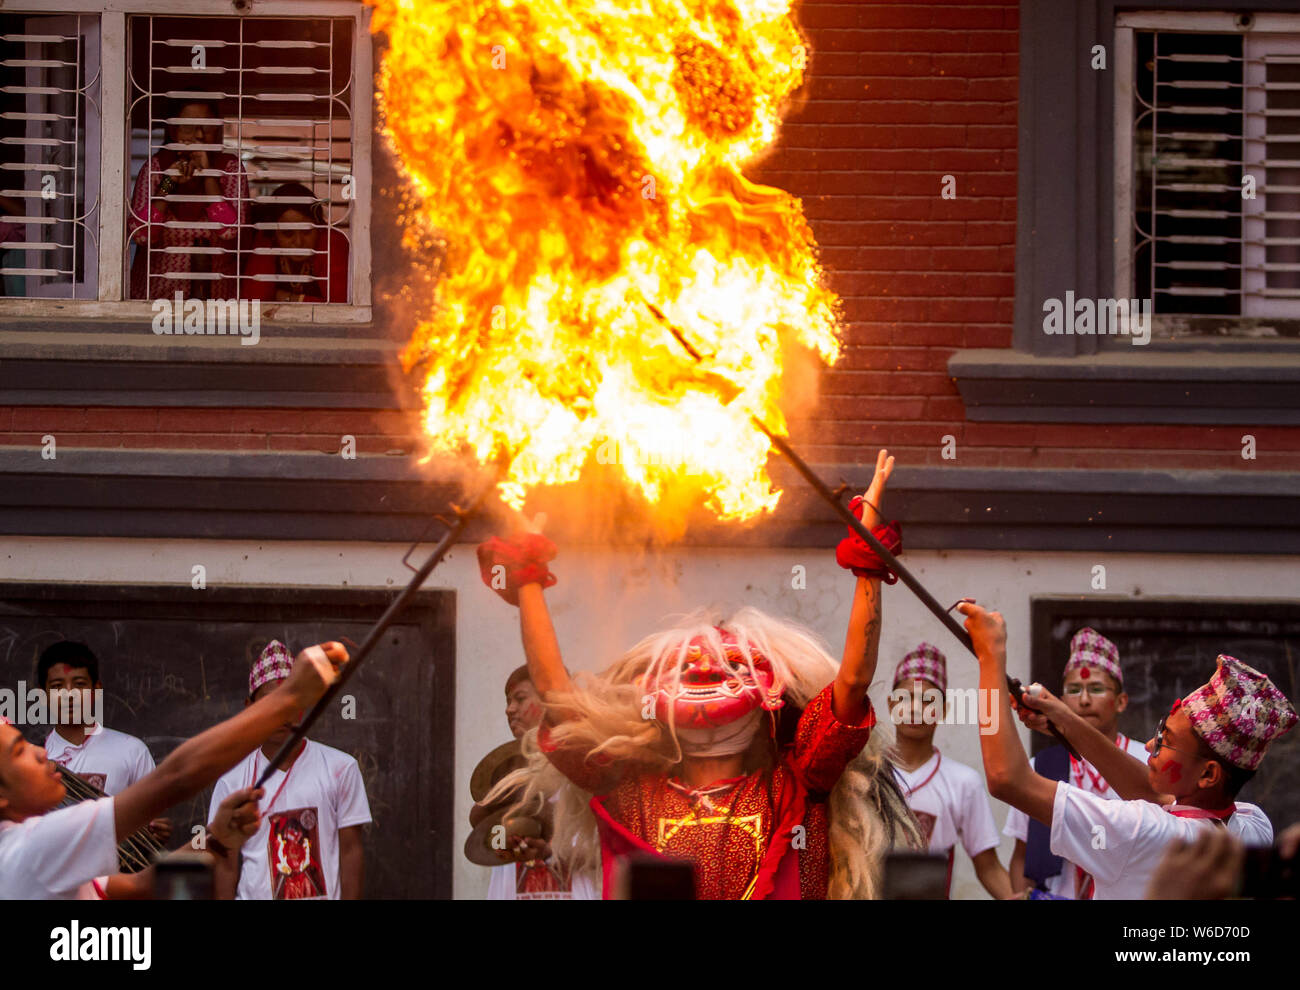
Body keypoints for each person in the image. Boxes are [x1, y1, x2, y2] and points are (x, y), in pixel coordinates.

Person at [480, 449, 922, 899]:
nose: (706, 668)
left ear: (769, 694)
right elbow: (558, 696)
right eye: (685, 666)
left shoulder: (795, 781)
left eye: (733, 664)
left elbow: (852, 683)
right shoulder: (632, 789)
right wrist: (527, 578)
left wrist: (868, 561)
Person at [958, 600, 1295, 899]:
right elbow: (1157, 796)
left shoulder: (1137, 831)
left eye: (1167, 742)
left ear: (1208, 774)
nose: (1150, 744)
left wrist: (991, 657)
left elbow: (1006, 778)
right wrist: (1064, 718)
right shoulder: (1252, 824)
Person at [0, 641, 348, 899]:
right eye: (19, 751)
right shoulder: (32, 848)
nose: (40, 752)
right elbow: (177, 776)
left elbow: (140, 884)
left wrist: (215, 840)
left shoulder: (38, 850)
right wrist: (289, 698)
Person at [209, 640, 371, 900]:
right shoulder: (232, 781)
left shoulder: (341, 769)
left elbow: (351, 851)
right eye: (271, 703)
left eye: (290, 702)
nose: (282, 714)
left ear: (304, 705)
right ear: (250, 706)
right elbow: (225, 866)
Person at [1002, 628, 1148, 898]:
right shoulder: (1040, 767)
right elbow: (1020, 856)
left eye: (1096, 689)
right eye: (1073, 690)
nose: (1083, 700)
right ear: (1060, 700)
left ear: (1121, 701)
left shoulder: (1146, 762)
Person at [890, 643, 1014, 899]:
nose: (914, 708)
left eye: (928, 701)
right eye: (905, 698)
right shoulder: (865, 775)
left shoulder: (963, 783)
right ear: (892, 706)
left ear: (943, 711)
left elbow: (988, 867)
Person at [471, 665, 599, 900]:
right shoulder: (503, 774)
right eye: (508, 701)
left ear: (551, 700)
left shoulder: (587, 768)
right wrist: (497, 832)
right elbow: (493, 845)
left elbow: (601, 853)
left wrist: (550, 852)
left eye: (520, 699)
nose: (509, 710)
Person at [38, 641, 171, 846]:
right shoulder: (33, 757)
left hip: (116, 876)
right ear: (43, 695)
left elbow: (150, 826)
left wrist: (156, 834)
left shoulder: (131, 751)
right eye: (57, 686)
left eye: (79, 684)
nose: (69, 694)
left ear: (96, 689)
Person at [127, 99, 249, 300]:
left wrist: (209, 175)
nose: (200, 135)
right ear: (174, 132)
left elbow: (230, 231)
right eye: (189, 127)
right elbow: (141, 235)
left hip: (214, 300)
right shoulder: (156, 167)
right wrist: (169, 182)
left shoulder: (230, 169)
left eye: (207, 127)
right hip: (157, 297)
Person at [243, 182, 349, 303]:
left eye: (307, 231)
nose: (298, 242)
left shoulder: (331, 242)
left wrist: (288, 298)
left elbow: (339, 305)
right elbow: (254, 301)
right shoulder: (267, 238)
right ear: (273, 234)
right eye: (287, 233)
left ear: (318, 226)